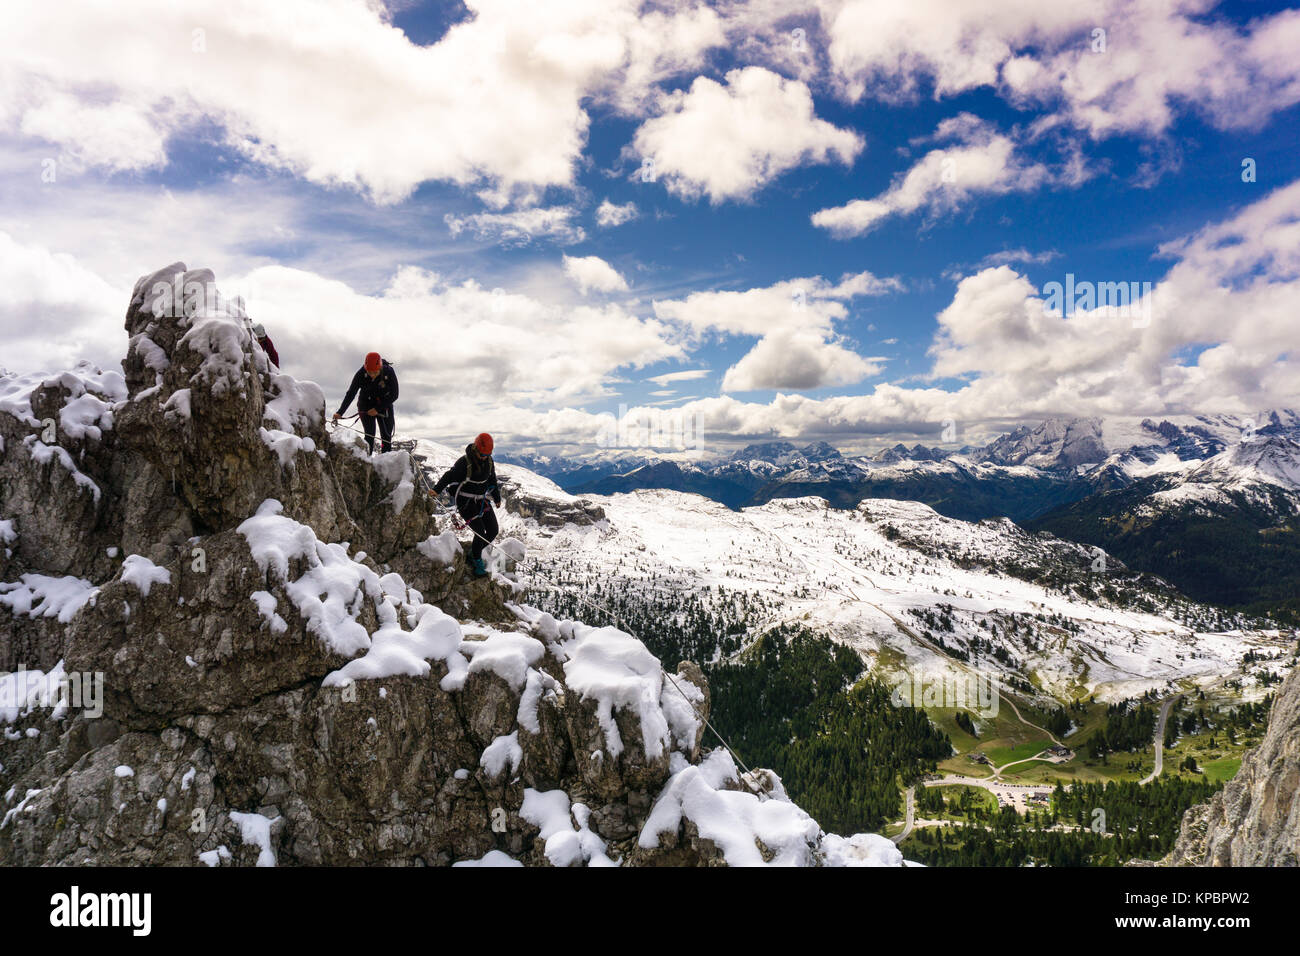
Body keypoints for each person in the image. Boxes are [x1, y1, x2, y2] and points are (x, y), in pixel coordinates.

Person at [433, 433, 501, 578]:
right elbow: (449, 476)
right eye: (482, 454)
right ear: (476, 449)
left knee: (493, 530)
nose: (484, 457)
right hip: (466, 503)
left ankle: (473, 552)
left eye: (487, 454)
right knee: (480, 532)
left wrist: (497, 498)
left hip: (482, 501)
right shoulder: (464, 463)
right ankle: (476, 559)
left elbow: (492, 479)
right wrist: (436, 490)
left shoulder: (488, 461)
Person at [333, 352, 398, 453]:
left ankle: (385, 464)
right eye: (369, 372)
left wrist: (377, 409)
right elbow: (351, 394)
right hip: (365, 404)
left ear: (380, 368)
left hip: (384, 404)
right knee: (369, 436)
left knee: (386, 437)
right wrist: (340, 412)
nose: (372, 375)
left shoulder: (388, 372)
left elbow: (394, 394)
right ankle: (368, 461)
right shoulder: (360, 374)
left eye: (375, 372)